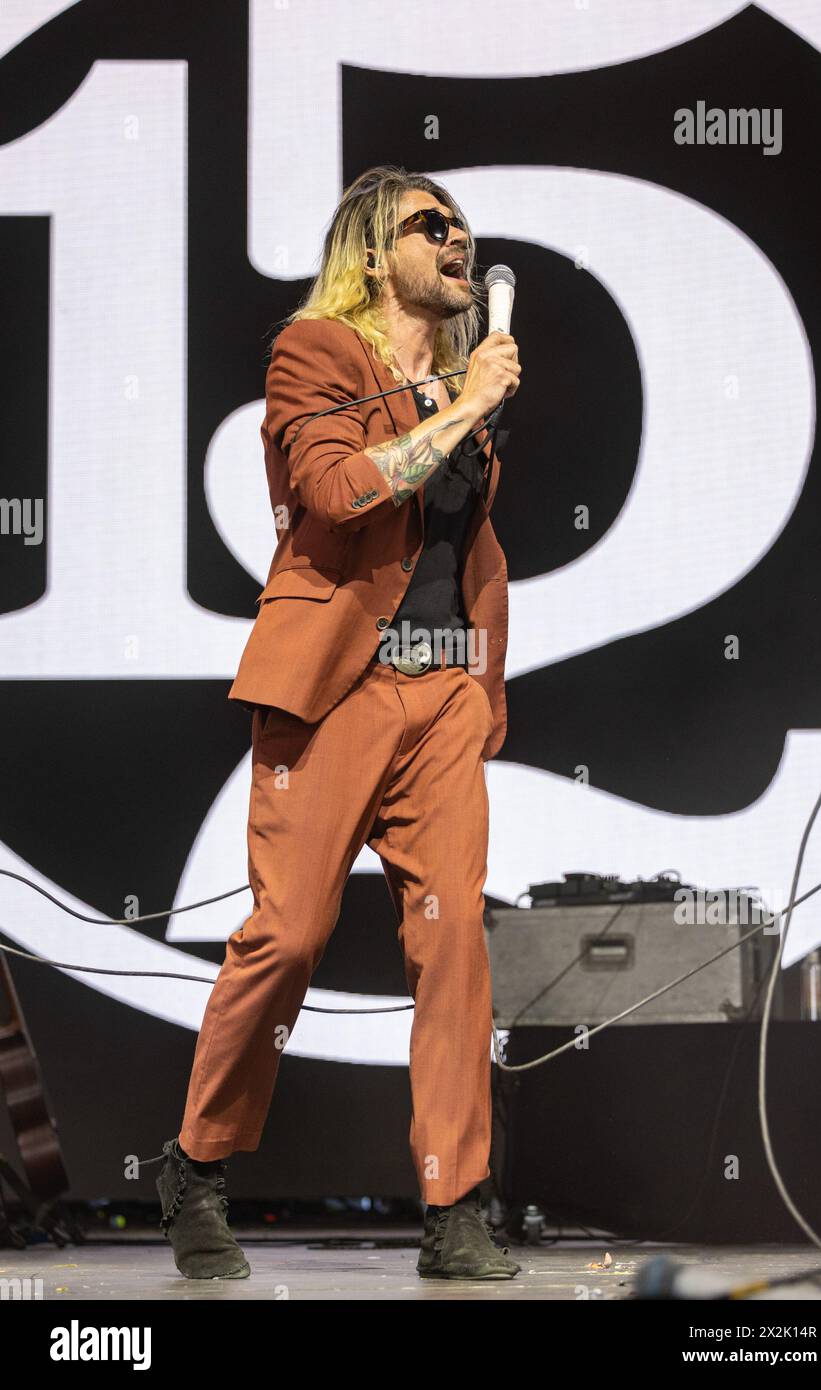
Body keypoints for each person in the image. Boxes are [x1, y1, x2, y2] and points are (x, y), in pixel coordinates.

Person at [156, 165, 521, 1281]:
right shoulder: (316, 352)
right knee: (289, 935)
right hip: (334, 691)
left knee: (453, 942)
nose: (457, 239)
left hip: (442, 695)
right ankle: (196, 1164)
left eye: (462, 227)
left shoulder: (461, 380)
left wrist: (484, 686)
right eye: (429, 224)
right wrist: (464, 408)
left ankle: (455, 1206)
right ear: (371, 252)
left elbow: (466, 547)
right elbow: (336, 491)